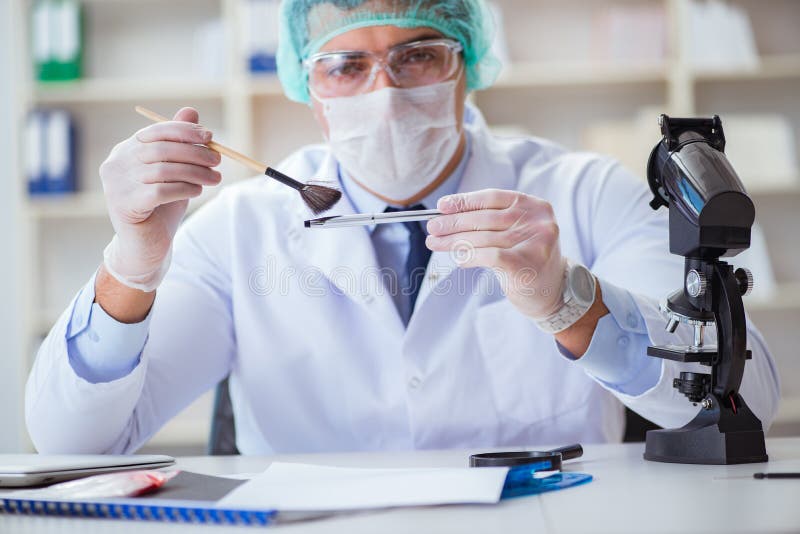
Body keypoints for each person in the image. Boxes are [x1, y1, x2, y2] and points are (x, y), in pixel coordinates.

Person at [26, 0, 779, 455]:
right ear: (308, 87)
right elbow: (72, 442)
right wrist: (133, 259)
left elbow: (751, 398)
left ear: (466, 64)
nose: (382, 92)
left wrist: (570, 300)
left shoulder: (586, 195)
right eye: (346, 66)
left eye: (418, 56)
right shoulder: (239, 230)